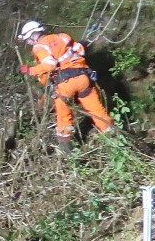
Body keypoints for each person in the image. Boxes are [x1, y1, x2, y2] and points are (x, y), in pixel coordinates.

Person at [17, 20, 115, 151]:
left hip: (65, 83)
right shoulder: (63, 36)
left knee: (64, 117)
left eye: (28, 40)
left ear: (33, 36)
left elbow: (49, 65)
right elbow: (80, 50)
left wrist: (30, 70)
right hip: (83, 78)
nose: (29, 43)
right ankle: (114, 140)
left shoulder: (39, 47)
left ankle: (67, 151)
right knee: (97, 110)